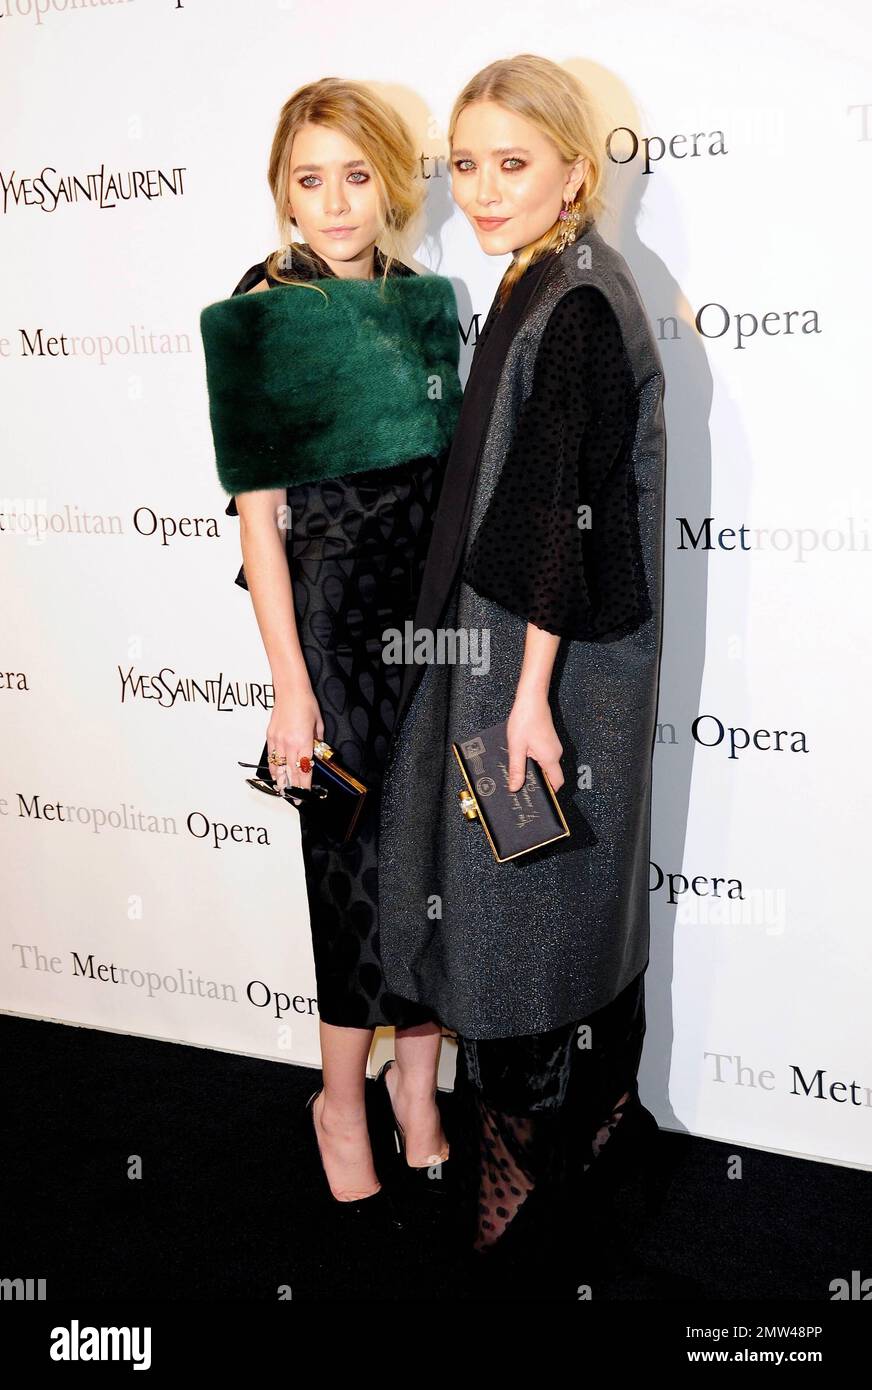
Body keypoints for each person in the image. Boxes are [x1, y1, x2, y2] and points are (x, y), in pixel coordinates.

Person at [376, 54, 667, 1282]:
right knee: (547, 907)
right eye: (466, 165)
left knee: (519, 913)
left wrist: (528, 699)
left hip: (539, 660)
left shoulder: (576, 300)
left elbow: (558, 516)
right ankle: (588, 1147)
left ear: (571, 171)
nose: (483, 190)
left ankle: (520, 1201)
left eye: (513, 164)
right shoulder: (547, 279)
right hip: (527, 647)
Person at [199, 78, 462, 1211]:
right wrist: (289, 690)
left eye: (356, 175)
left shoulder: (429, 302)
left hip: (440, 629)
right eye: (309, 179)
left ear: (391, 183)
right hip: (336, 637)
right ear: (281, 193)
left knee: (432, 874)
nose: (335, 202)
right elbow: (260, 523)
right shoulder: (259, 312)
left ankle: (419, 1092)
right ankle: (340, 1102)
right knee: (351, 877)